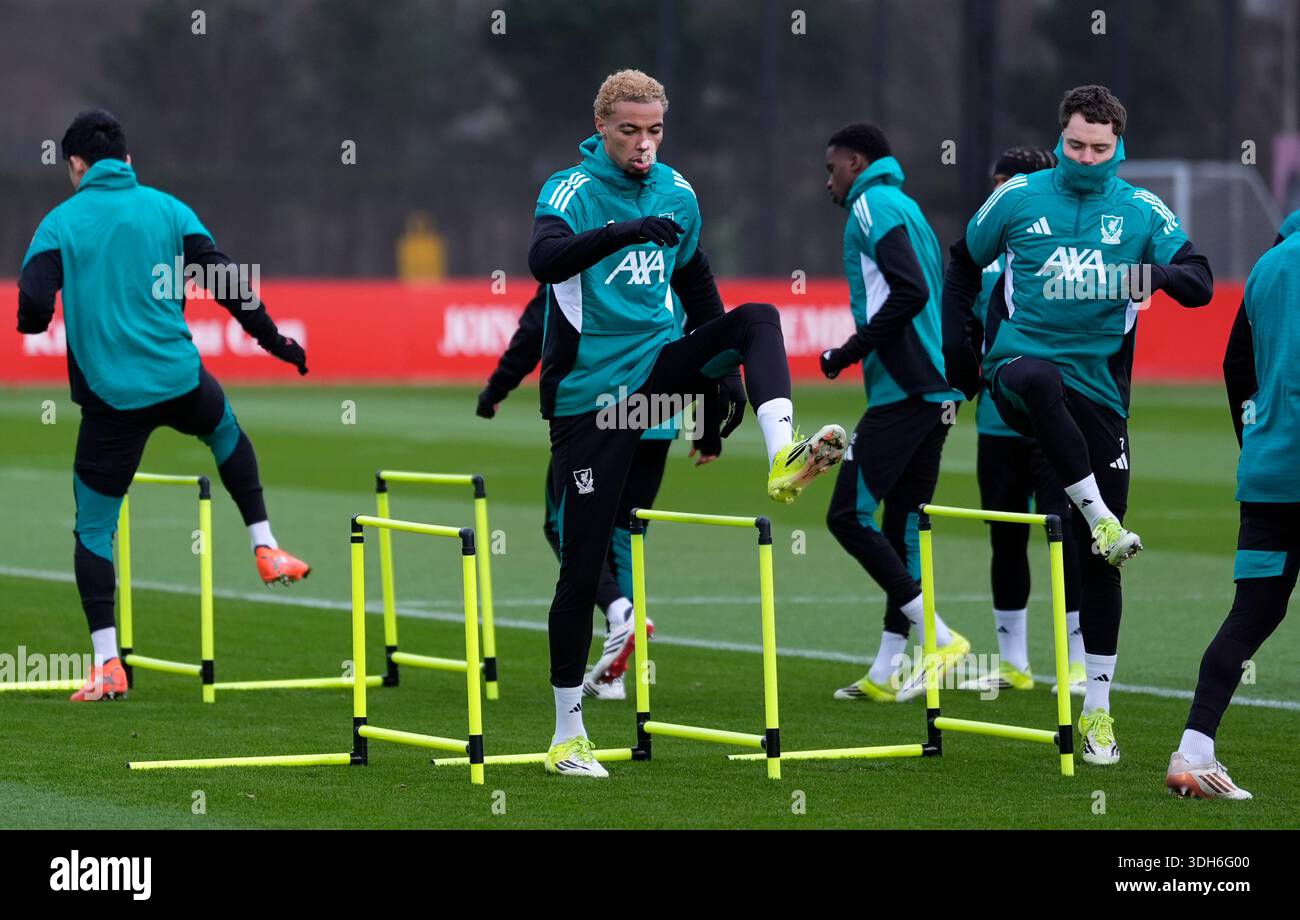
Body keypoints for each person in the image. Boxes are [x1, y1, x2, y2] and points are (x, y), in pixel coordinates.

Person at [530, 70, 845, 776]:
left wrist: (721, 386)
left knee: (758, 318)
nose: (644, 144)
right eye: (629, 131)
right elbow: (543, 259)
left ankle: (784, 454)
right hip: (592, 402)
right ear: (602, 126)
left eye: (655, 131)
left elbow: (697, 285)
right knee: (581, 569)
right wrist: (623, 231)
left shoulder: (678, 192)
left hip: (657, 371)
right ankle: (566, 735)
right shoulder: (570, 191)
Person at [942, 86, 1213, 764]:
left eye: (1099, 148)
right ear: (1059, 140)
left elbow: (1201, 280)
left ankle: (1098, 710)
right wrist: (960, 348)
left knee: (1102, 568)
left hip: (1100, 392)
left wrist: (1154, 273)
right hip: (1016, 369)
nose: (1087, 158)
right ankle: (1098, 517)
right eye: (1075, 145)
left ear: (1119, 146)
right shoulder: (1019, 197)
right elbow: (960, 259)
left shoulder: (1141, 208)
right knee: (1038, 378)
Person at [16, 110, 311, 702]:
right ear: (127, 159)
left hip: (111, 399)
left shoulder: (60, 222)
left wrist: (36, 317)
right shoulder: (170, 211)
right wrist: (275, 341)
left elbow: (31, 303)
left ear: (75, 166)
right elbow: (227, 280)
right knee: (226, 432)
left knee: (95, 531)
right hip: (180, 380)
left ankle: (108, 664)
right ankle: (265, 544)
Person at [479, 283, 717, 700]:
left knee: (562, 524)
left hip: (599, 409)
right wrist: (708, 422)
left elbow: (538, 326)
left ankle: (619, 612)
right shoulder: (667, 251)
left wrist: (497, 388)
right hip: (659, 411)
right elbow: (707, 336)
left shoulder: (581, 246)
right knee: (627, 532)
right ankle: (615, 672)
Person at [817, 123, 969, 703]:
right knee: (901, 526)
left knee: (846, 516)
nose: (827, 181)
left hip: (904, 391)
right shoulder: (905, 204)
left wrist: (846, 352)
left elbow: (909, 292)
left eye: (832, 168)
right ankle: (886, 671)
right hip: (931, 392)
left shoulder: (870, 205)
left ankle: (938, 635)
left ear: (856, 162)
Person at [1164, 212, 1300, 800]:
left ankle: (1194, 752)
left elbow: (1234, 366)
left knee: (1254, 613)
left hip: (1271, 473)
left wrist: (1259, 439)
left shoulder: (1268, 267)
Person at [946, 145, 1087, 696]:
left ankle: (1076, 660)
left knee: (1065, 537)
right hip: (999, 427)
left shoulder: (1062, 260)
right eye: (995, 185)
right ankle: (1013, 662)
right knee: (1005, 539)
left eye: (1009, 185)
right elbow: (964, 332)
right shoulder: (980, 266)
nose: (997, 196)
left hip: (1057, 425)